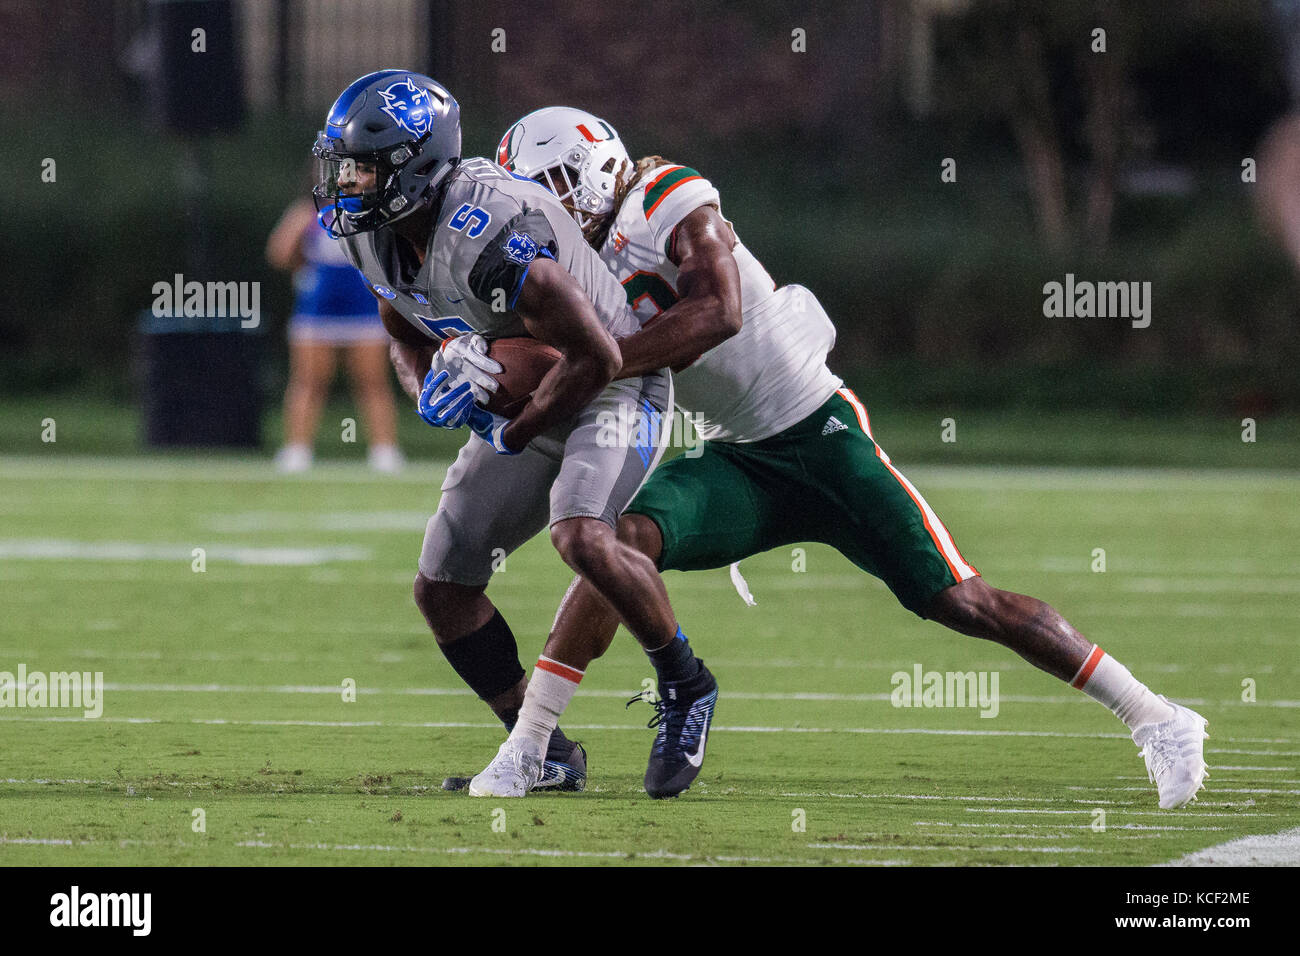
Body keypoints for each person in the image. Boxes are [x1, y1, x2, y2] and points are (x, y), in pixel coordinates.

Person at [467, 106, 1210, 807]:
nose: (549, 212)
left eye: (555, 189)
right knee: (614, 545)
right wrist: (472, 367)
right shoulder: (574, 264)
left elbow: (718, 311)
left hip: (819, 436)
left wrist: (601, 360)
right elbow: (541, 357)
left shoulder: (662, 196)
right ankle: (530, 748)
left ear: (595, 167)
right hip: (736, 461)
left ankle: (1157, 718)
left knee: (962, 601)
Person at [312, 70, 709, 798]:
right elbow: (403, 328)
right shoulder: (374, 237)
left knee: (582, 535)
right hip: (533, 390)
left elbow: (598, 355)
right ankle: (545, 750)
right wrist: (433, 384)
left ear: (415, 168)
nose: (347, 183)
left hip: (614, 389)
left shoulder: (494, 234)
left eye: (363, 169)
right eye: (343, 168)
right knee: (442, 586)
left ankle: (686, 682)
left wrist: (513, 429)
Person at [266, 189, 404, 473]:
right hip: (318, 312)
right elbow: (279, 253)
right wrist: (303, 266)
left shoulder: (373, 212)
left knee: (372, 383)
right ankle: (298, 450)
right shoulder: (307, 212)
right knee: (308, 382)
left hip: (363, 312)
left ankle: (384, 451)